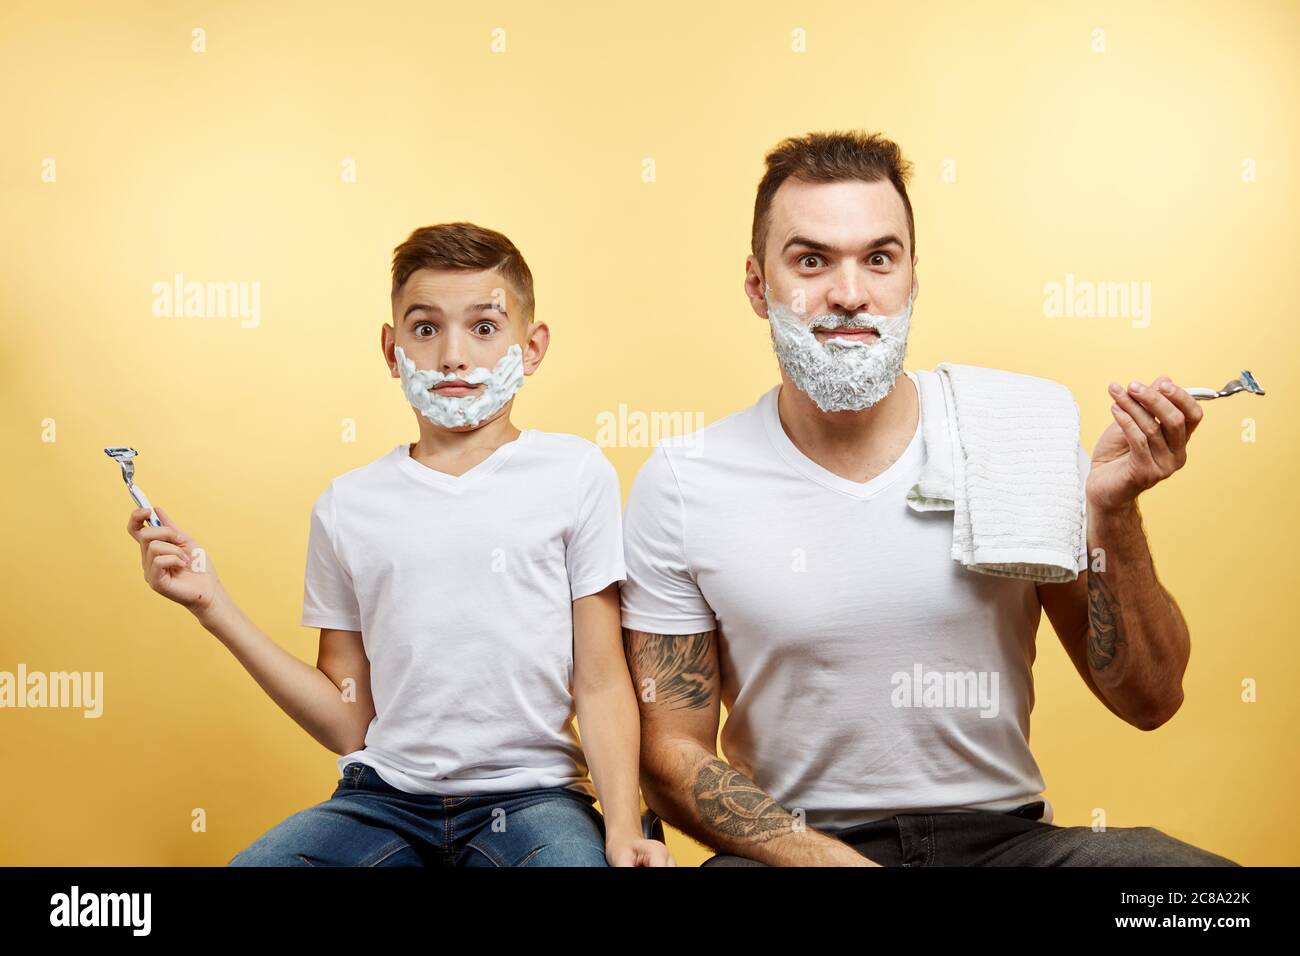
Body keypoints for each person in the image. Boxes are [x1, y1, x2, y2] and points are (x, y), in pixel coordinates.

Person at [619, 130, 1237, 866]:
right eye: (811, 260)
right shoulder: (688, 479)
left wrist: (1113, 512)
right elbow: (672, 750)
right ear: (758, 286)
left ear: (912, 279)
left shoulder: (1015, 434)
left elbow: (1151, 698)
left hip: (1008, 846)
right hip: (793, 852)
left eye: (879, 259)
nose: (850, 294)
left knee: (1205, 901)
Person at [128, 222, 673, 867]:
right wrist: (211, 604)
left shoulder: (576, 476)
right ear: (392, 351)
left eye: (484, 327)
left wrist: (620, 826)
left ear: (532, 346)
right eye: (425, 329)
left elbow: (602, 679)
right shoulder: (347, 507)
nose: (452, 356)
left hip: (534, 801)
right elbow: (347, 719)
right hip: (383, 801)